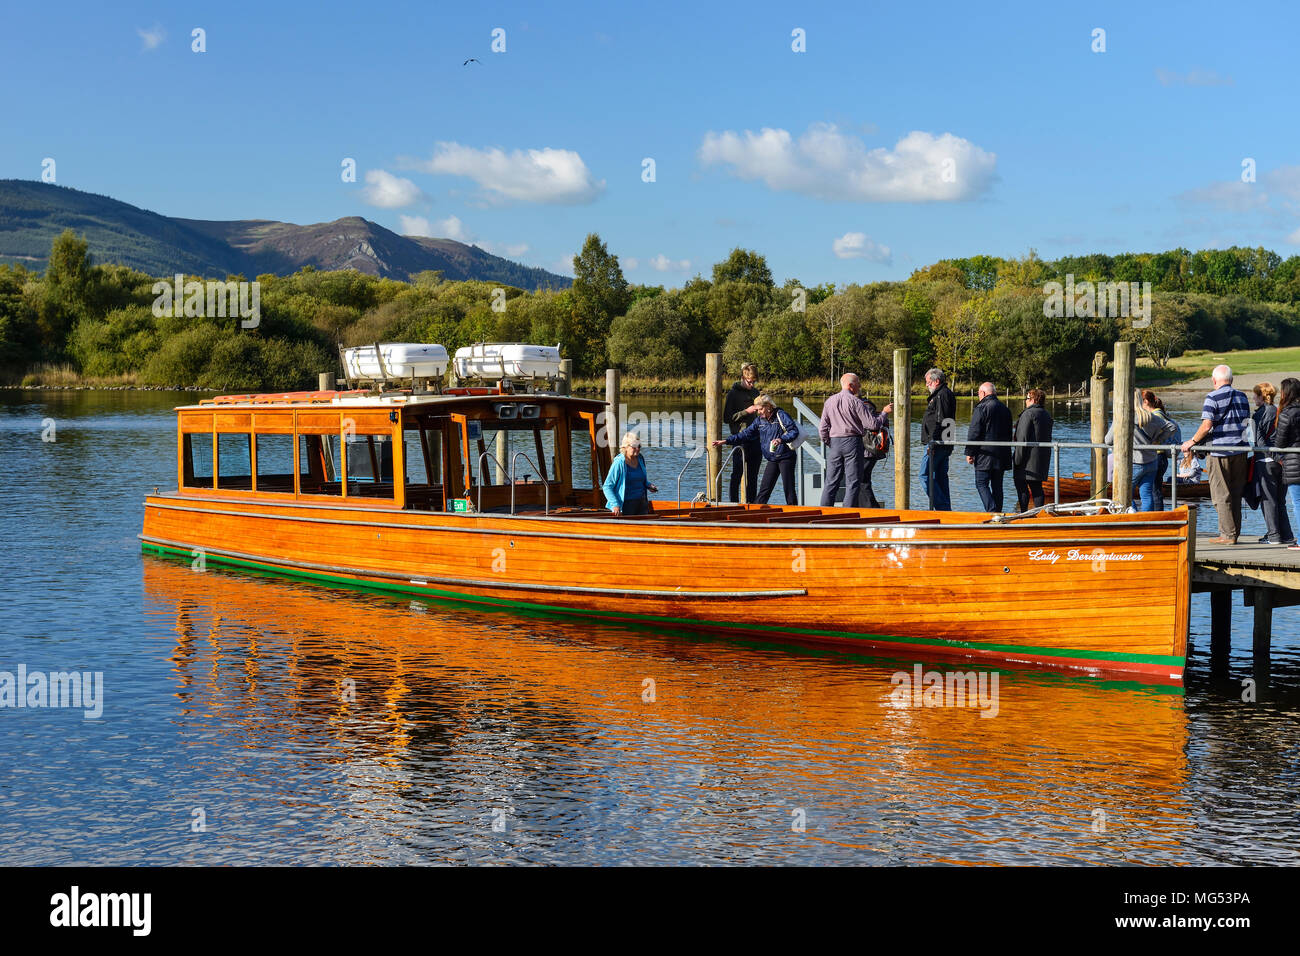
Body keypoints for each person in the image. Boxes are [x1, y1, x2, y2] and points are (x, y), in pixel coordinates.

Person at [1181, 365, 1252, 544]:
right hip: (1241, 451)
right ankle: (1234, 533)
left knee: (1220, 494)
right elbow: (1246, 424)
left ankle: (1227, 536)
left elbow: (1206, 425)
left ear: (1214, 380)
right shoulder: (1243, 397)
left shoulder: (1212, 397)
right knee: (1236, 493)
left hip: (1220, 452)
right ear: (1232, 380)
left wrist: (1193, 442)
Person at [818, 372, 892, 508]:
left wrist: (829, 443)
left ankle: (824, 513)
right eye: (858, 383)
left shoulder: (829, 401)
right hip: (852, 442)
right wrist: (884, 413)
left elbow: (823, 428)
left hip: (835, 443)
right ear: (851, 385)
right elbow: (873, 425)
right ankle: (847, 514)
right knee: (853, 482)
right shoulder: (856, 402)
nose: (860, 385)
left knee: (830, 482)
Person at [713, 395, 800, 505]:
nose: (758, 412)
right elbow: (745, 434)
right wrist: (726, 441)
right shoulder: (759, 421)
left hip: (786, 457)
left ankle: (792, 515)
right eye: (757, 409)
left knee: (789, 489)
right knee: (764, 490)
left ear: (768, 406)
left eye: (760, 409)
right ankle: (754, 511)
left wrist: (781, 439)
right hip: (772, 458)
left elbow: (794, 431)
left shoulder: (781, 415)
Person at [1251, 382, 1296, 545]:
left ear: (1261, 396)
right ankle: (1287, 535)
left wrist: (1273, 456)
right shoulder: (1280, 411)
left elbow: (1258, 441)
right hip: (1282, 461)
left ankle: (1274, 535)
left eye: (1255, 395)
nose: (1253, 398)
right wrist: (1280, 458)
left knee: (1268, 500)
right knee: (1280, 500)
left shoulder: (1259, 414)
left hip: (1266, 461)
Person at [1105, 389, 1162, 511]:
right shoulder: (1151, 417)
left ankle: (1133, 516)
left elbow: (1108, 440)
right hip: (1151, 461)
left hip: (1134, 462)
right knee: (1146, 495)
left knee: (1124, 494)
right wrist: (1156, 439)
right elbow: (1171, 427)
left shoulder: (1122, 417)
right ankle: (1146, 522)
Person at [964, 382, 1013, 513]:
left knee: (981, 483)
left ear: (983, 393)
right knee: (998, 486)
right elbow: (1009, 433)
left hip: (984, 454)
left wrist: (970, 452)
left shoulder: (982, 407)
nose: (978, 396)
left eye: (979, 394)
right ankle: (999, 513)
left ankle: (992, 511)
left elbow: (975, 431)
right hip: (1001, 455)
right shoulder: (1005, 409)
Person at [723, 363, 762, 503]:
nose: (752, 384)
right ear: (742, 378)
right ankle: (733, 503)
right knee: (737, 474)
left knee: (753, 476)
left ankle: (752, 505)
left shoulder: (756, 393)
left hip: (756, 439)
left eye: (754, 381)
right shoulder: (733, 394)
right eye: (749, 381)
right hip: (740, 439)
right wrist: (747, 411)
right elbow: (727, 418)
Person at [920, 368, 957, 510]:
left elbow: (941, 420)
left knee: (924, 475)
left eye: (928, 382)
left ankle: (942, 508)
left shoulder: (941, 395)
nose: (926, 385)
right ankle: (946, 510)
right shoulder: (946, 394)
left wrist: (933, 443)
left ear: (936, 381)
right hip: (944, 443)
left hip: (937, 443)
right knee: (940, 477)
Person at [1013, 388, 1053, 511]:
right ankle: (1039, 514)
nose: (1026, 401)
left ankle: (1023, 513)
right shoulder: (1046, 414)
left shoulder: (1028, 414)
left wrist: (1017, 459)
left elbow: (1022, 438)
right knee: (1037, 488)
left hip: (1027, 459)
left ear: (1034, 400)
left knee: (1021, 486)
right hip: (1042, 457)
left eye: (1028, 398)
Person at [1142, 390, 1181, 511]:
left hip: (1157, 456)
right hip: (1160, 457)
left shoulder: (1156, 415)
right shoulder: (1160, 414)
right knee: (1154, 490)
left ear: (1146, 402)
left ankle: (1157, 518)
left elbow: (1168, 428)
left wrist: (1154, 440)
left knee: (1153, 491)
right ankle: (1157, 518)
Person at [603, 432, 657, 516]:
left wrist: (649, 485)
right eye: (634, 446)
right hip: (625, 505)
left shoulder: (640, 458)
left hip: (642, 503)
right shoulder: (619, 462)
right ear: (626, 447)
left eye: (639, 446)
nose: (637, 449)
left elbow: (642, 480)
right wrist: (615, 505)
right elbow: (607, 486)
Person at [1275, 378, 1300, 551]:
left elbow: (1280, 443)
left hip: (1294, 462)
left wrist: (1277, 456)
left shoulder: (1287, 414)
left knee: (1298, 502)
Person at [860, 395, 890, 509]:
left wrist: (884, 413)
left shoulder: (866, 406)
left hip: (868, 450)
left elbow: (873, 425)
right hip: (864, 450)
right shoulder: (863, 405)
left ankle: (872, 508)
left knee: (862, 480)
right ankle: (867, 507)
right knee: (862, 480)